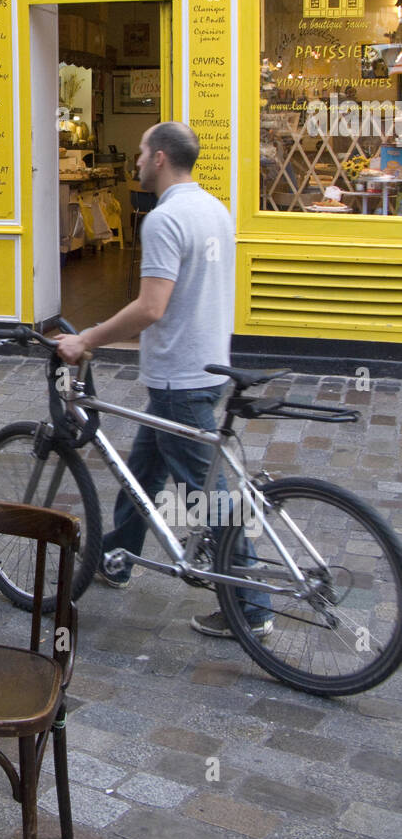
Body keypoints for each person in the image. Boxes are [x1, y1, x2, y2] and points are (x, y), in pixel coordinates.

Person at [55, 121, 273, 639]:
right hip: (203, 367)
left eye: (140, 152)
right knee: (143, 474)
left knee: (212, 496)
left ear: (159, 159)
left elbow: (150, 308)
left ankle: (253, 605)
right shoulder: (214, 208)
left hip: (181, 377)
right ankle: (116, 556)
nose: (134, 160)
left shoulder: (164, 219)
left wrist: (86, 339)